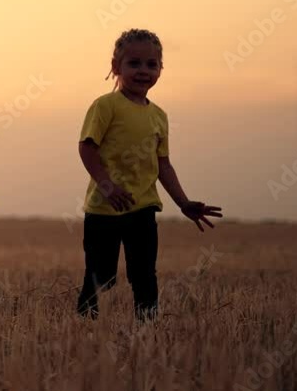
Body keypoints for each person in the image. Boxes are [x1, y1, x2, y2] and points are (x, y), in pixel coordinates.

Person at [76, 28, 222, 321]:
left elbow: (163, 165)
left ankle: (148, 328)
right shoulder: (105, 106)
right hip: (104, 210)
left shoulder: (159, 116)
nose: (143, 71)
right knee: (100, 274)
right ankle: (83, 323)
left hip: (142, 208)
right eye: (134, 63)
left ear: (160, 69)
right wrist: (106, 186)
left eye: (151, 64)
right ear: (116, 67)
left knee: (144, 273)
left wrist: (183, 202)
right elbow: (87, 147)